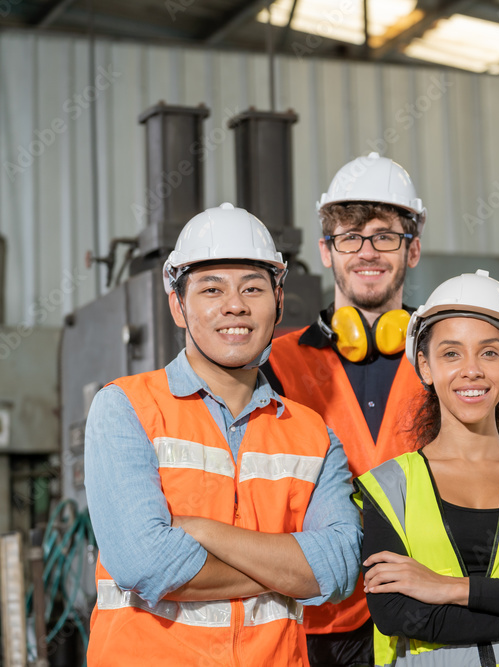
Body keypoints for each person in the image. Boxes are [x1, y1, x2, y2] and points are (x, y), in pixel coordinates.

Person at [84, 203, 362, 666]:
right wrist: (292, 571)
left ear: (277, 302)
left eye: (252, 288)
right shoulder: (126, 408)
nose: (235, 305)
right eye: (211, 289)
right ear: (178, 305)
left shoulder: (313, 435)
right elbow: (145, 563)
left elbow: (338, 569)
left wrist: (201, 531)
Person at [356, 270, 499, 667]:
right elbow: (398, 614)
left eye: (490, 352)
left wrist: (446, 588)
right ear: (425, 367)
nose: (472, 370)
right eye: (451, 353)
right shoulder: (389, 487)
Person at [264, 152, 429, 667]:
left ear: (413, 250)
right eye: (350, 237)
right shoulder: (276, 365)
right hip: (314, 618)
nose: (368, 252)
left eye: (385, 236)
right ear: (326, 251)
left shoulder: (443, 358)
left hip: (422, 610)